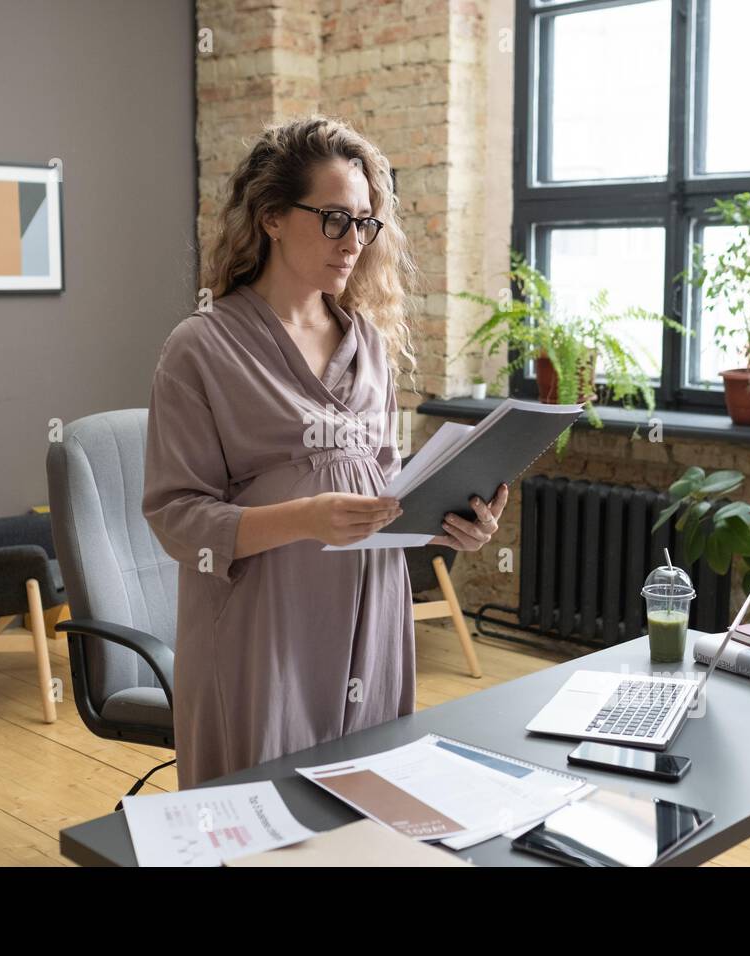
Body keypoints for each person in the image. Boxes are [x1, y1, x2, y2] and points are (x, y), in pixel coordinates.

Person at [142, 115, 508, 789]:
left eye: (365, 222)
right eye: (335, 219)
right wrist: (306, 519)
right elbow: (176, 518)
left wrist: (454, 522)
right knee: (259, 818)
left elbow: (387, 490)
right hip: (261, 625)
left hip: (371, 613)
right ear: (274, 217)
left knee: (363, 804)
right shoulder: (200, 348)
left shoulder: (366, 342)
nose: (355, 241)